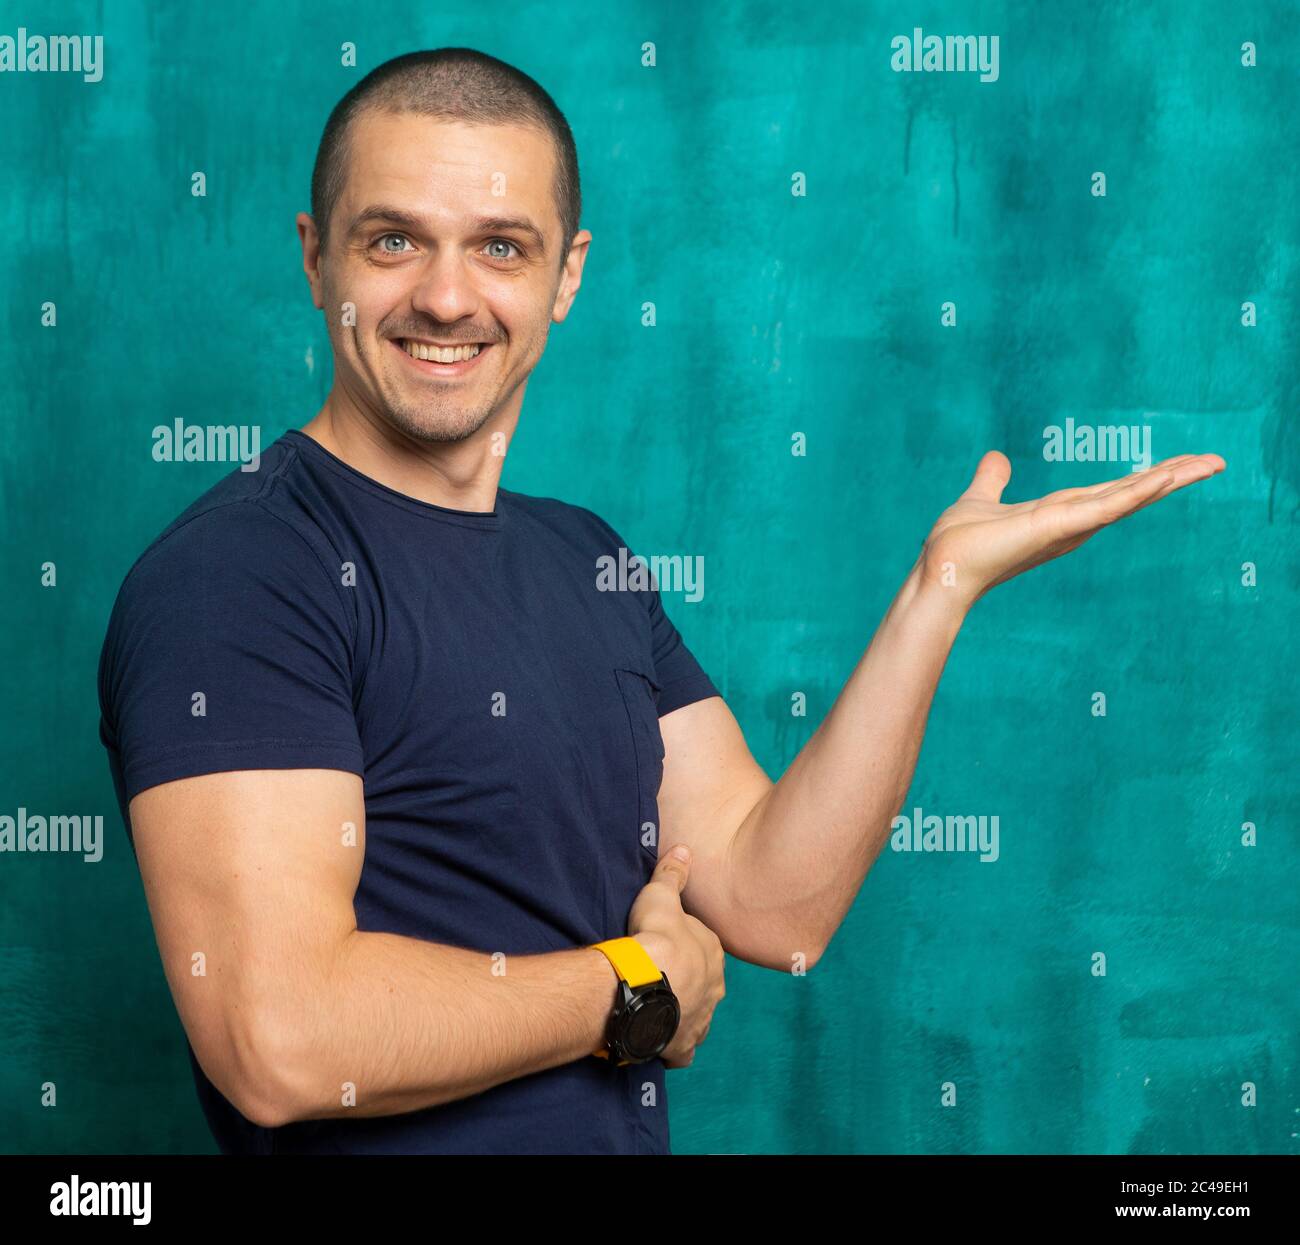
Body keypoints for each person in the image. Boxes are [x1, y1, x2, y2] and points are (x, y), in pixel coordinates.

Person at [97, 47, 1224, 1156]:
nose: (446, 297)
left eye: (500, 247)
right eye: (393, 240)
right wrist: (630, 989)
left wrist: (939, 591)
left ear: (566, 276)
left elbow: (772, 906)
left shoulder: (585, 557)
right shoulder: (240, 573)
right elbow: (280, 1042)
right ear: (315, 261)